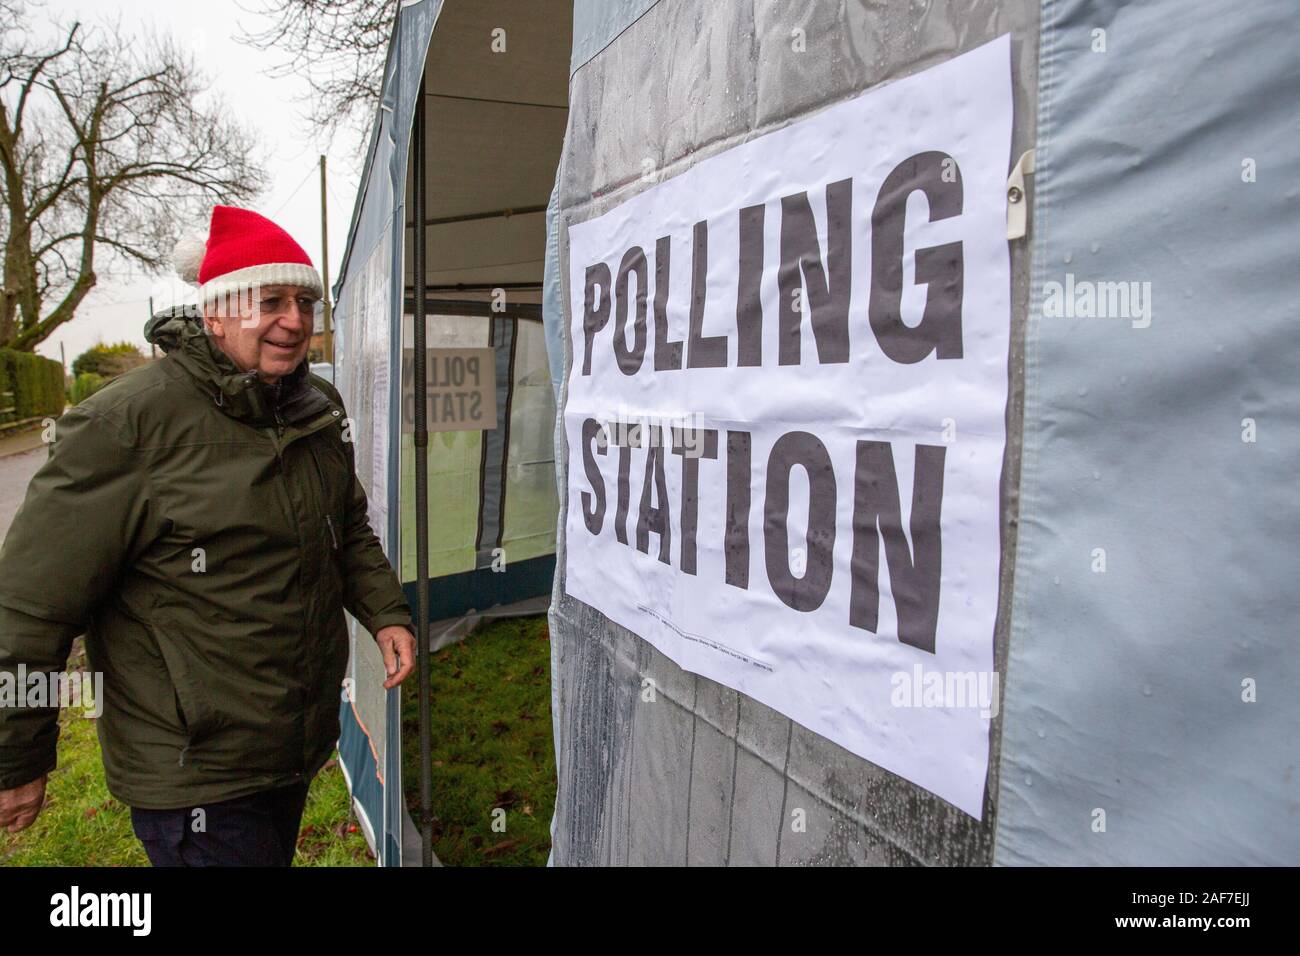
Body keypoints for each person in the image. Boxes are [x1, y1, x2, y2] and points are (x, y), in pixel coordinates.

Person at [0, 206, 416, 866]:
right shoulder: (125, 426)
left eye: (304, 301)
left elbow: (346, 529)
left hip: (291, 745)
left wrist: (385, 611)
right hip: (193, 772)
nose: (294, 320)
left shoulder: (315, 408)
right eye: (269, 301)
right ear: (215, 312)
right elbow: (28, 605)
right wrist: (16, 754)